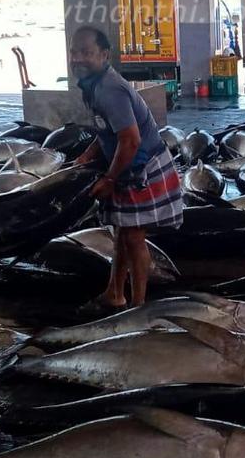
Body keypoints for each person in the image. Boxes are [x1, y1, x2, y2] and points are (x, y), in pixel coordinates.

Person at [69, 26, 184, 312]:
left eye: (86, 52)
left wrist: (110, 178)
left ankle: (138, 307)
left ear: (104, 54)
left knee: (133, 236)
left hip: (141, 165)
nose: (78, 58)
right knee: (123, 231)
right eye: (74, 52)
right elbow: (108, 130)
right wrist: (88, 153)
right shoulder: (94, 85)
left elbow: (130, 140)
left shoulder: (110, 89)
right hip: (128, 162)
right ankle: (115, 293)